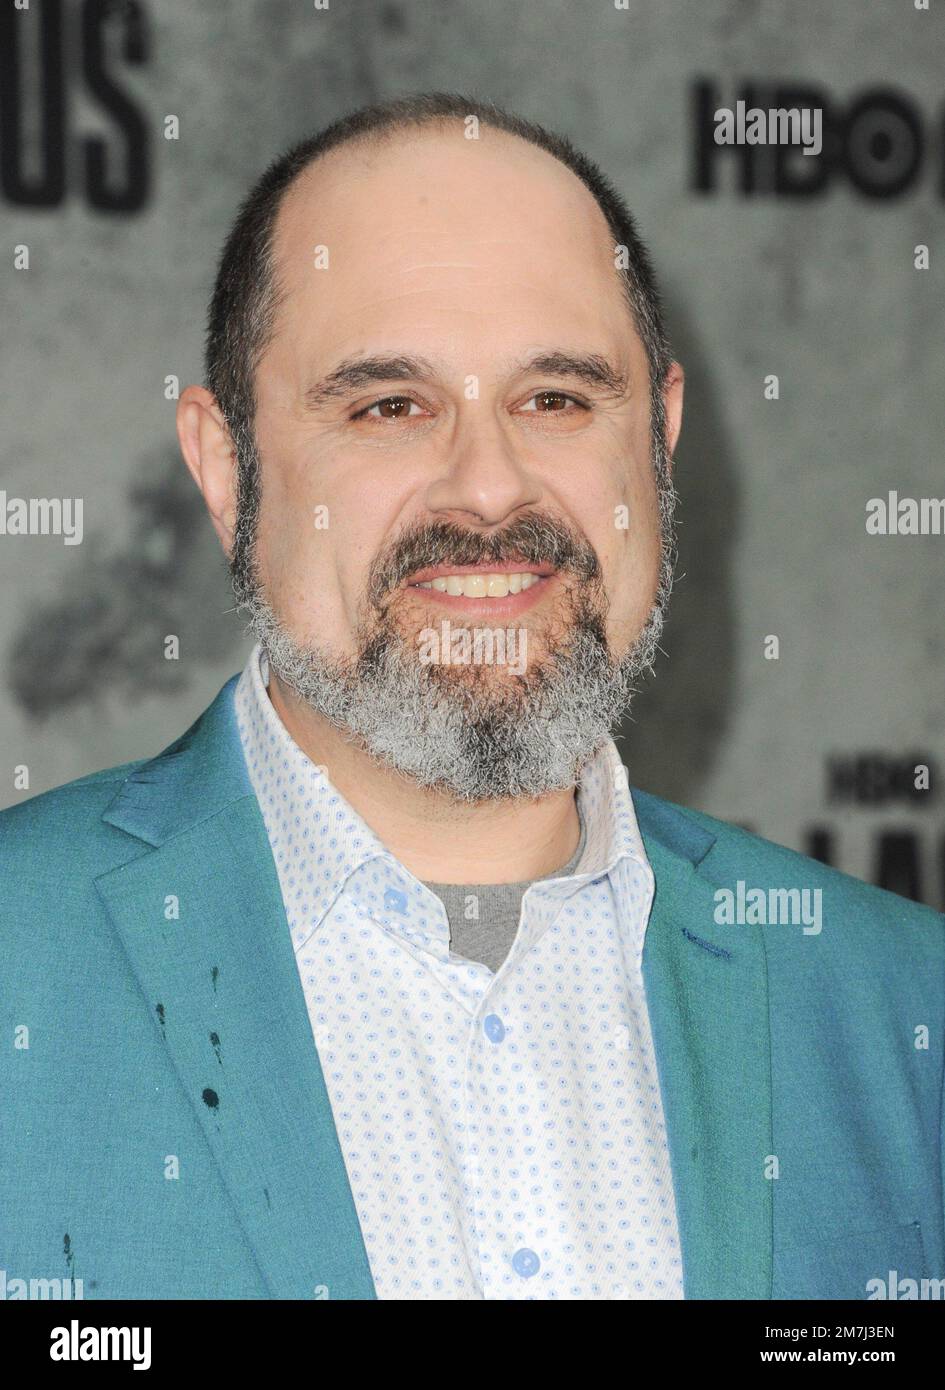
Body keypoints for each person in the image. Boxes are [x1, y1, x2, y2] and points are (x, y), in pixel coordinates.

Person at [3, 93, 942, 1302]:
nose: (490, 489)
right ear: (226, 469)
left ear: (657, 438)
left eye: (556, 399)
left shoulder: (898, 1013)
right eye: (389, 406)